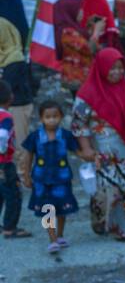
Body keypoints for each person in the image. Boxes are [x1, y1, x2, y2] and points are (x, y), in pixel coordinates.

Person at [72, 48, 125, 241]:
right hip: (103, 149)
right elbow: (78, 123)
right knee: (110, 188)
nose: (117, 72)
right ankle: (113, 225)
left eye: (120, 68)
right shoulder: (87, 93)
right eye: (112, 68)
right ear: (101, 68)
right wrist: (86, 148)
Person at [20, 98, 82, 254]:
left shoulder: (66, 136)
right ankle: (52, 238)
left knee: (62, 210)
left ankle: (60, 235)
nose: (52, 120)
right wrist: (26, 175)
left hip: (62, 180)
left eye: (55, 116)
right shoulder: (35, 137)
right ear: (41, 118)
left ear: (61, 117)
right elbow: (27, 157)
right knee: (48, 210)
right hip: (42, 181)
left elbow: (78, 151)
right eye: (48, 117)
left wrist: (92, 157)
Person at [0, 79, 32, 238]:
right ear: (10, 97)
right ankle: (10, 227)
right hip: (4, 163)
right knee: (13, 193)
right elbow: (2, 137)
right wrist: (2, 149)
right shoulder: (5, 116)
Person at [53, 0, 100, 90]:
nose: (82, 12)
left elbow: (82, 41)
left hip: (80, 77)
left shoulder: (70, 28)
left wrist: (90, 27)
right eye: (79, 9)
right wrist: (97, 31)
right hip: (76, 79)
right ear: (71, 11)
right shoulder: (67, 32)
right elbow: (89, 49)